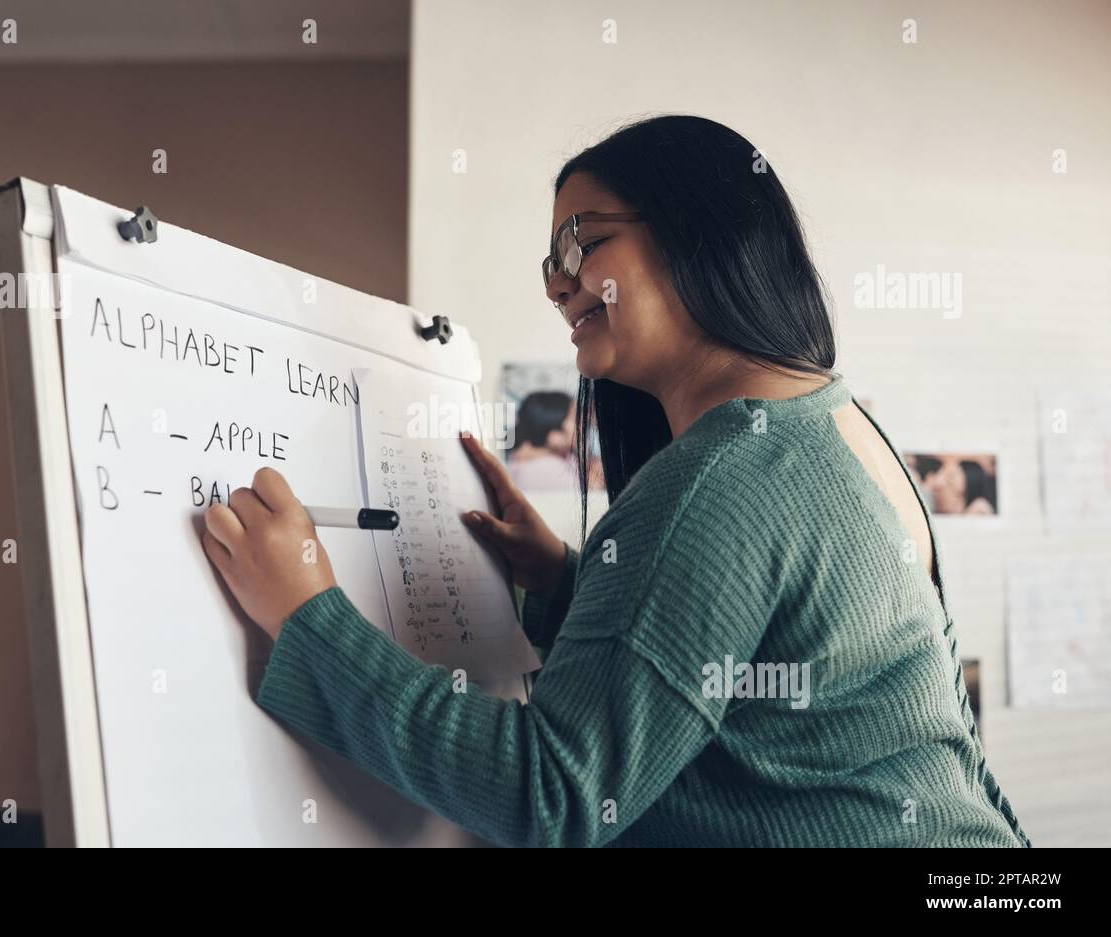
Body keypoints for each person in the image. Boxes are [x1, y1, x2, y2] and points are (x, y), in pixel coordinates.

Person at [200, 115, 1029, 847]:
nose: (559, 282)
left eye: (582, 243)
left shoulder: (722, 476)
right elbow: (800, 693)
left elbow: (553, 796)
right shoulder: (842, 426)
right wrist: (566, 580)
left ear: (698, 233)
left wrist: (306, 615)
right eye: (550, 259)